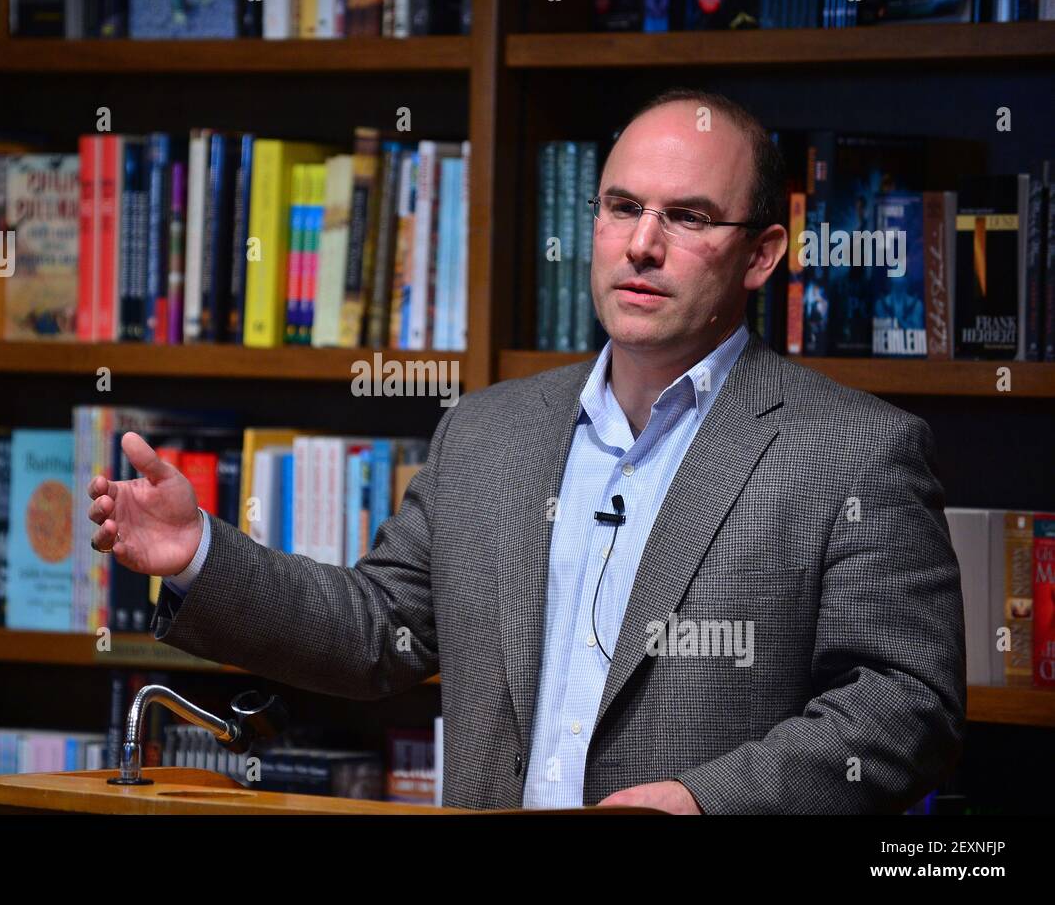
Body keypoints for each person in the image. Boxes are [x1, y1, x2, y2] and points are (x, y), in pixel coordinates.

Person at [87, 88, 965, 813]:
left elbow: (906, 704)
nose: (643, 243)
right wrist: (198, 552)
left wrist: (704, 803)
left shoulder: (855, 452)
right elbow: (375, 630)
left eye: (687, 217)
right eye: (622, 207)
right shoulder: (487, 432)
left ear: (762, 254)